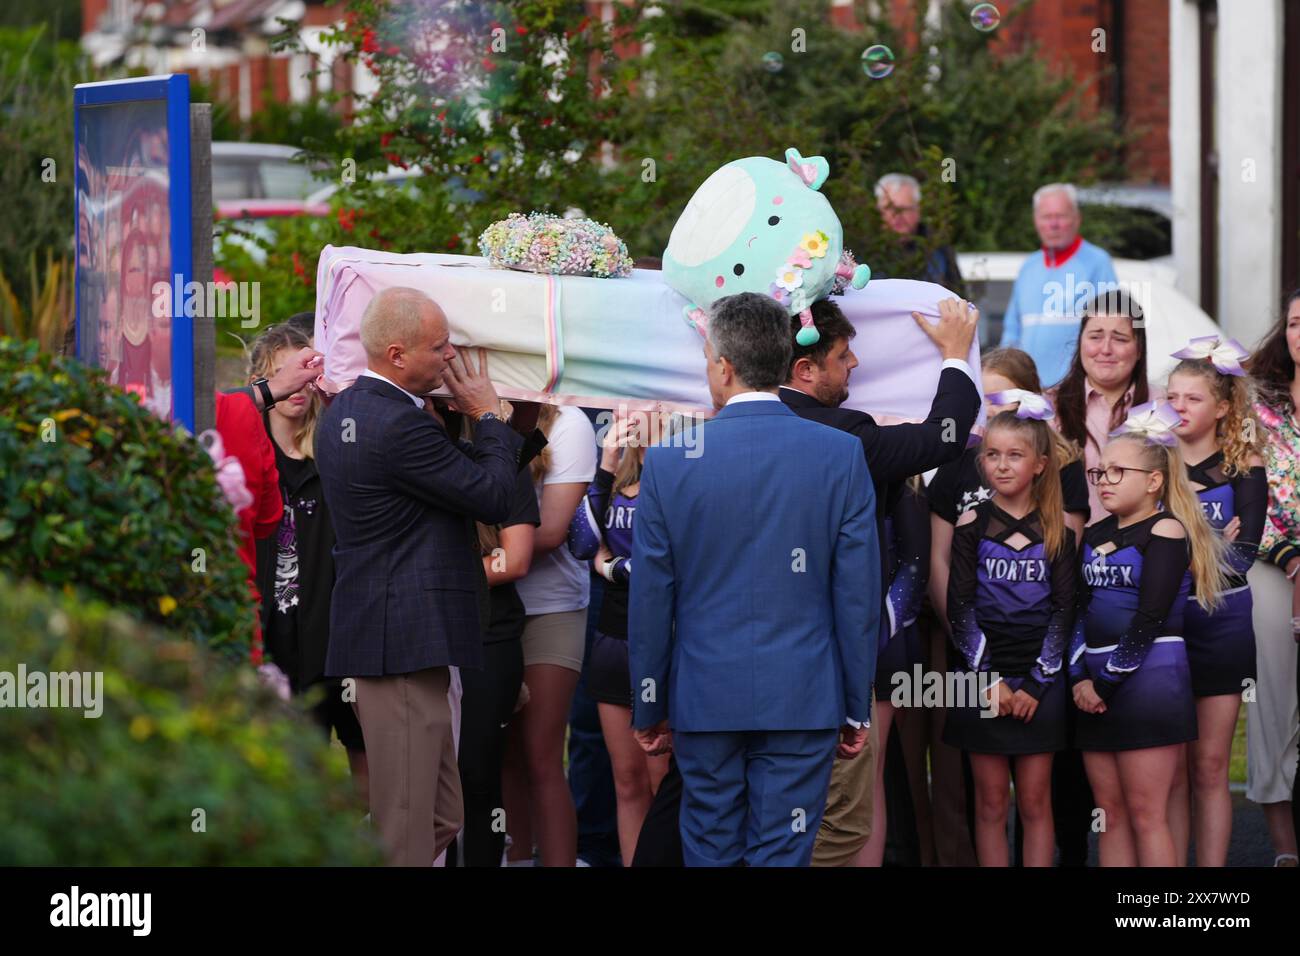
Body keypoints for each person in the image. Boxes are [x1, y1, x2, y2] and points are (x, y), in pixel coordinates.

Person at [629, 291, 879, 867]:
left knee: (710, 849)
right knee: (783, 853)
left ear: (722, 365)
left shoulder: (669, 460)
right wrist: (854, 705)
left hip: (705, 694)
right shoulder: (840, 454)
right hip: (804, 694)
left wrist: (649, 703)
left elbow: (649, 599)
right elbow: (857, 596)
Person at [315, 286, 539, 867]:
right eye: (439, 347)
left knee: (440, 815)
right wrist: (488, 414)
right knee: (408, 825)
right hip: (402, 643)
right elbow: (489, 495)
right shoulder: (395, 422)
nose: (450, 357)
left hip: (401, 637)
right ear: (396, 354)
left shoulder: (356, 410)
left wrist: (516, 424)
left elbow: (459, 476)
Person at [778, 295, 982, 867]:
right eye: (844, 356)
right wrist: (956, 356)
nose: (857, 366)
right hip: (837, 656)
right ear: (805, 369)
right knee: (847, 812)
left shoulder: (718, 431)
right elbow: (942, 436)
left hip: (753, 657)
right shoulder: (849, 436)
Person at [1070, 403, 1229, 867]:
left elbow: (1150, 617)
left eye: (1119, 471)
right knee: (1111, 813)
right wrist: (1080, 676)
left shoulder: (1166, 528)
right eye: (1100, 472)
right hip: (1093, 682)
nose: (1105, 481)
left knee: (1146, 812)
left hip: (1149, 679)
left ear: (1154, 480)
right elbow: (1076, 610)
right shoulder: (1095, 530)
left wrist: (1104, 684)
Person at [944, 400, 1078, 866]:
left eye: (1015, 455)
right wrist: (988, 680)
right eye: (993, 455)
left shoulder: (1058, 529)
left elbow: (1066, 610)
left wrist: (1038, 683)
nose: (1001, 465)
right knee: (991, 803)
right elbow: (959, 607)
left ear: (1040, 464)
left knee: (1036, 803)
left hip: (1041, 676)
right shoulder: (970, 524)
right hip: (982, 673)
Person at [249, 323, 367, 800]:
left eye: (306, 371)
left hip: (335, 638)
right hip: (271, 641)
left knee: (362, 749)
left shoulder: (337, 451)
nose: (298, 385)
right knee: (280, 773)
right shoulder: (250, 455)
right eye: (283, 374)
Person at [1164, 344, 1267, 867]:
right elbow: (1139, 546)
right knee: (1174, 770)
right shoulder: (1153, 460)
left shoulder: (1243, 463)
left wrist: (1181, 552)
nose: (1179, 406)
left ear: (1223, 407)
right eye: (1172, 396)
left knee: (1209, 767)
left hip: (1223, 621)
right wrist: (1209, 544)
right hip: (1165, 626)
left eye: (1193, 398)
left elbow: (1244, 554)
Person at [566, 411, 671, 865]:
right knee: (626, 780)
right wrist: (606, 464)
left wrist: (613, 569)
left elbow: (671, 564)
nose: (643, 415)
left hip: (667, 642)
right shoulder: (616, 476)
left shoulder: (685, 475)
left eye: (656, 406)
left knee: (662, 781)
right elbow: (581, 543)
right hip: (614, 638)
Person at [502, 404, 597, 866]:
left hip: (552, 607)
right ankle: (517, 858)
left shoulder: (570, 422)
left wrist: (474, 552)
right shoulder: (468, 411)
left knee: (541, 753)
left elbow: (554, 530)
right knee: (503, 755)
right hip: (490, 607)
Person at [448, 405, 540, 867]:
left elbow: (515, 559)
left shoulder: (505, 466)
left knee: (478, 776)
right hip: (434, 635)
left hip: (490, 638)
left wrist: (443, 575)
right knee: (431, 777)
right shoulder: (421, 458)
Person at [1245, 291, 1300, 867]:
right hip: (1272, 564)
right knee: (1271, 704)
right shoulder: (1258, 408)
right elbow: (1245, 499)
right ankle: (1284, 850)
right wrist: (1288, 556)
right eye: (1294, 323)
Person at [1050, 289, 1161, 526]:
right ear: (1080, 342)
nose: (1106, 349)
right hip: (1069, 552)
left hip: (1145, 550)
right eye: (1095, 336)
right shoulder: (1049, 408)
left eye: (1120, 338)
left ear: (1139, 349)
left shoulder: (1163, 406)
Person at [999, 183, 1120, 388]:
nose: (1053, 224)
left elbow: (1108, 327)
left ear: (1077, 219)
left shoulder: (1097, 262)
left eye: (1061, 216)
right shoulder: (1029, 266)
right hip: (1028, 391)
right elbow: (1012, 331)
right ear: (1036, 221)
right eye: (1046, 217)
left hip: (1072, 392)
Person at [874, 173, 965, 294]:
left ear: (918, 210)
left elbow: (959, 297)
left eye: (904, 209)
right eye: (889, 208)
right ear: (878, 211)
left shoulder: (939, 251)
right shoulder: (861, 252)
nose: (897, 216)